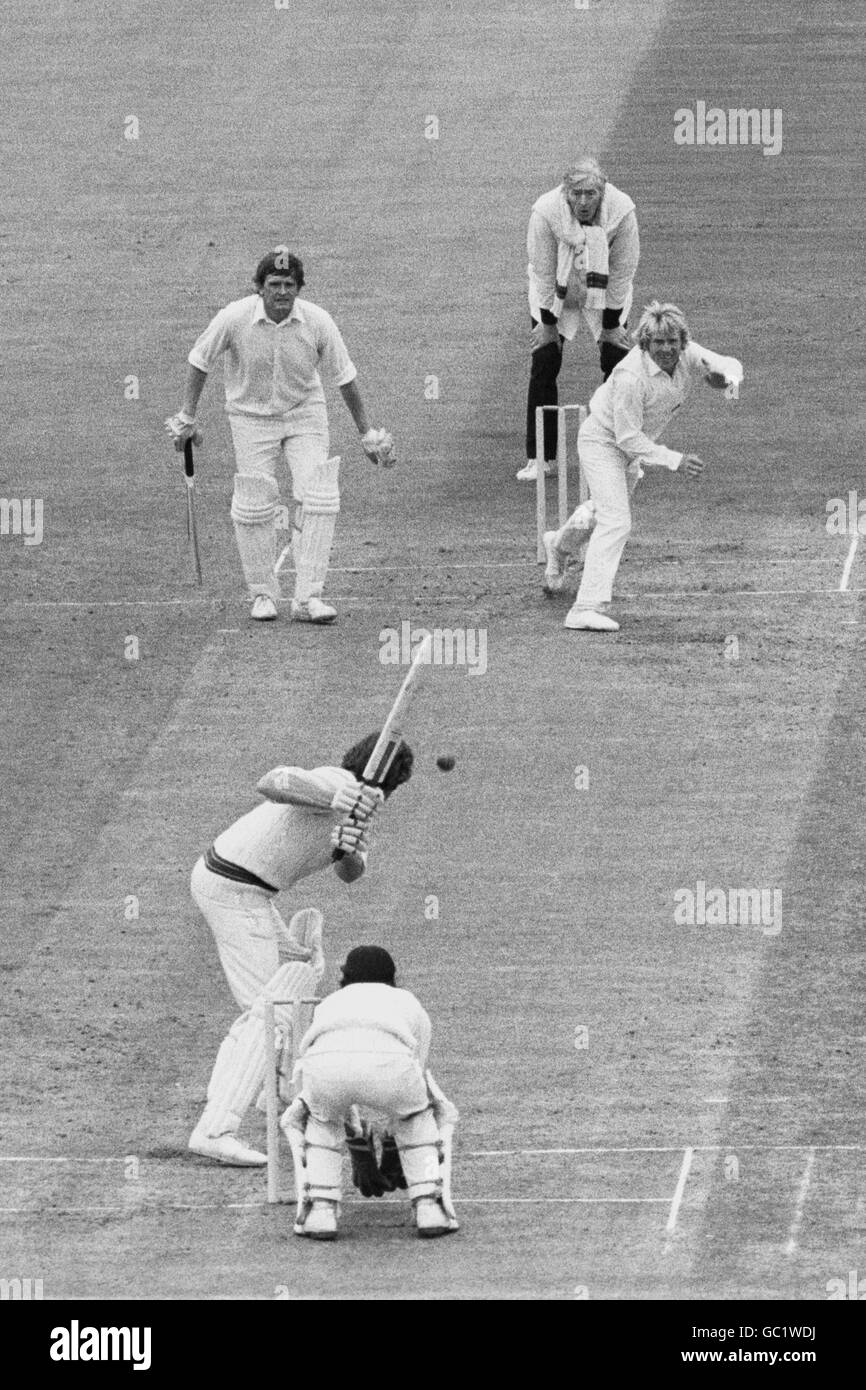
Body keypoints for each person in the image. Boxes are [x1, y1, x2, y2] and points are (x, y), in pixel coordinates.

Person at [187, 735, 413, 1165]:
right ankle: (216, 1129)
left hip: (251, 894)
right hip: (233, 887)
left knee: (297, 979)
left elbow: (350, 873)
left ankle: (285, 1093)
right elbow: (273, 781)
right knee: (270, 1012)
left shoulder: (358, 811)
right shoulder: (334, 782)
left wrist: (349, 848)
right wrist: (333, 793)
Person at [165, 248, 396, 624]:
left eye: (289, 285)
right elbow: (199, 360)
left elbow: (345, 377)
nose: (282, 292)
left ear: (299, 288)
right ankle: (262, 595)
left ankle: (308, 598)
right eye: (274, 284)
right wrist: (187, 415)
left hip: (305, 414)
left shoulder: (318, 321)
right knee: (254, 501)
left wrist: (366, 432)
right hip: (250, 417)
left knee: (319, 495)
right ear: (259, 287)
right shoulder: (234, 317)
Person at [545, 300, 743, 632]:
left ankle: (559, 545)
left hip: (632, 447)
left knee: (600, 510)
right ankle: (585, 607)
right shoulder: (629, 377)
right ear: (644, 343)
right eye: (658, 343)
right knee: (616, 520)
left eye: (672, 342)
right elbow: (626, 438)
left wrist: (727, 378)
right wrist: (674, 460)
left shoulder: (687, 353)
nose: (666, 348)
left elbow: (727, 362)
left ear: (682, 341)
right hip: (604, 442)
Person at [282, 945, 459, 1240]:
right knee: (416, 1116)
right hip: (392, 1069)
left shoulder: (329, 1002)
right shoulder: (407, 1000)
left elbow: (312, 1052)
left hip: (326, 1069)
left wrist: (341, 1119)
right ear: (392, 977)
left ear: (346, 978)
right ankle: (429, 1205)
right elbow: (418, 1067)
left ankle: (321, 1211)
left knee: (323, 1120)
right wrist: (396, 1128)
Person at [518, 157, 640, 481]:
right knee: (544, 360)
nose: (583, 202)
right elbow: (543, 274)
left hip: (604, 289)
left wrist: (612, 326)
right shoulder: (545, 212)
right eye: (577, 194)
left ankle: (619, 454)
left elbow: (623, 271)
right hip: (557, 288)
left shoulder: (622, 211)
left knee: (618, 364)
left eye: (590, 194)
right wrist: (546, 323)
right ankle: (540, 458)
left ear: (602, 191)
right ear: (565, 191)